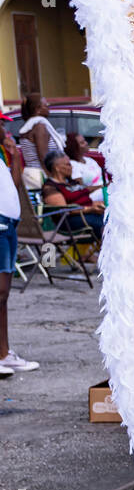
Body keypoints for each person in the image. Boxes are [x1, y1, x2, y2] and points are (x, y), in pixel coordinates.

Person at [0, 122, 39, 375]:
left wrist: (14, 156)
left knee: (3, 295)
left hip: (8, 226)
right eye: (1, 125)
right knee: (0, 292)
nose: (6, 130)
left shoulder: (2, 154)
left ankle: (4, 354)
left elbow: (13, 185)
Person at [41, 151, 106, 244]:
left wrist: (96, 203)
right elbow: (62, 210)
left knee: (115, 219)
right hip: (71, 222)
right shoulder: (51, 188)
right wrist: (90, 209)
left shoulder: (71, 182)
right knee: (107, 225)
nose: (71, 167)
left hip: (88, 214)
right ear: (57, 168)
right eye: (68, 164)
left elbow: (84, 194)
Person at [16, 94, 65, 190]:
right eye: (46, 105)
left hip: (33, 175)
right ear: (37, 109)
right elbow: (44, 157)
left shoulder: (28, 127)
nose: (48, 108)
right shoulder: (39, 127)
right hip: (41, 176)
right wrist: (53, 179)